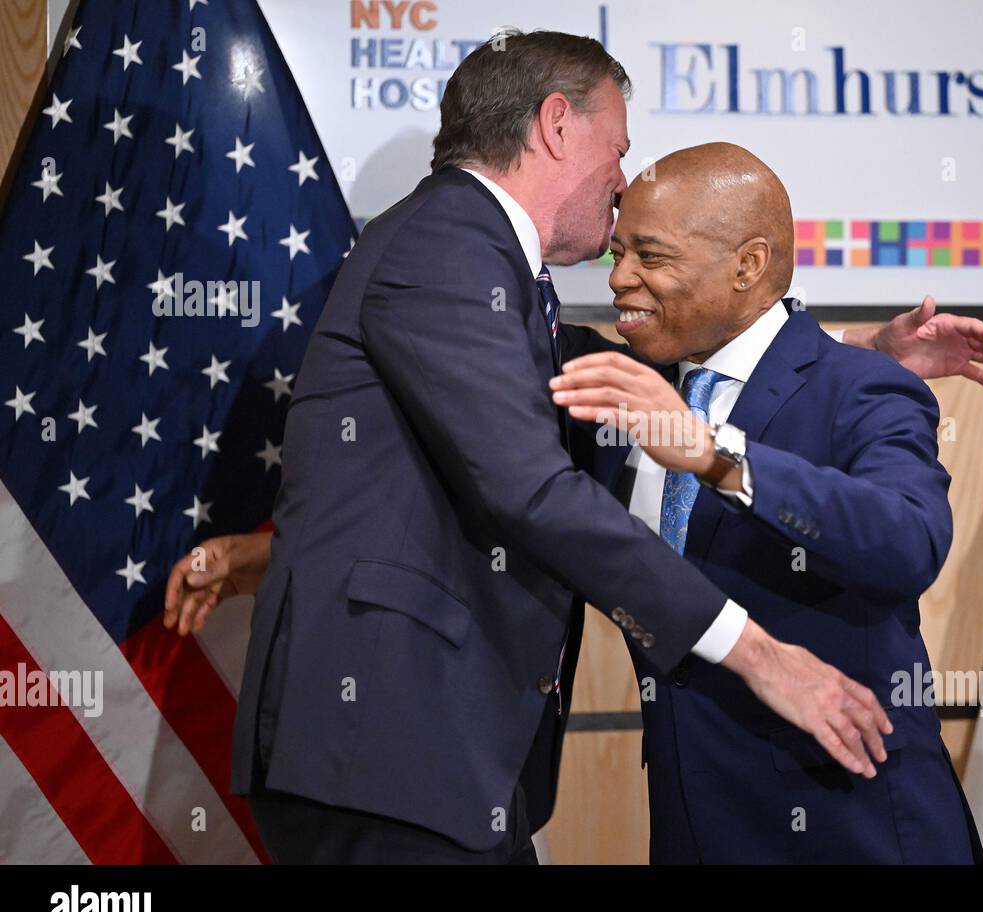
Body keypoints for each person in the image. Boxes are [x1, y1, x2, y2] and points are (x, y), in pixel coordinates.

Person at [226, 31, 897, 865]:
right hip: (385, 744)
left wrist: (840, 352)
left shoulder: (493, 270)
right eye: (616, 148)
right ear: (556, 125)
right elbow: (531, 490)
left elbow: (598, 368)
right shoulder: (448, 243)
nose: (622, 180)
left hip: (427, 758)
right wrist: (755, 652)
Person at [549, 143, 983, 862]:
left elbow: (910, 540)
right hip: (692, 827)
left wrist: (716, 454)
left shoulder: (863, 387)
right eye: (618, 251)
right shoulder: (622, 381)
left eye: (650, 257)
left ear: (747, 266)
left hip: (851, 828)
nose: (620, 278)